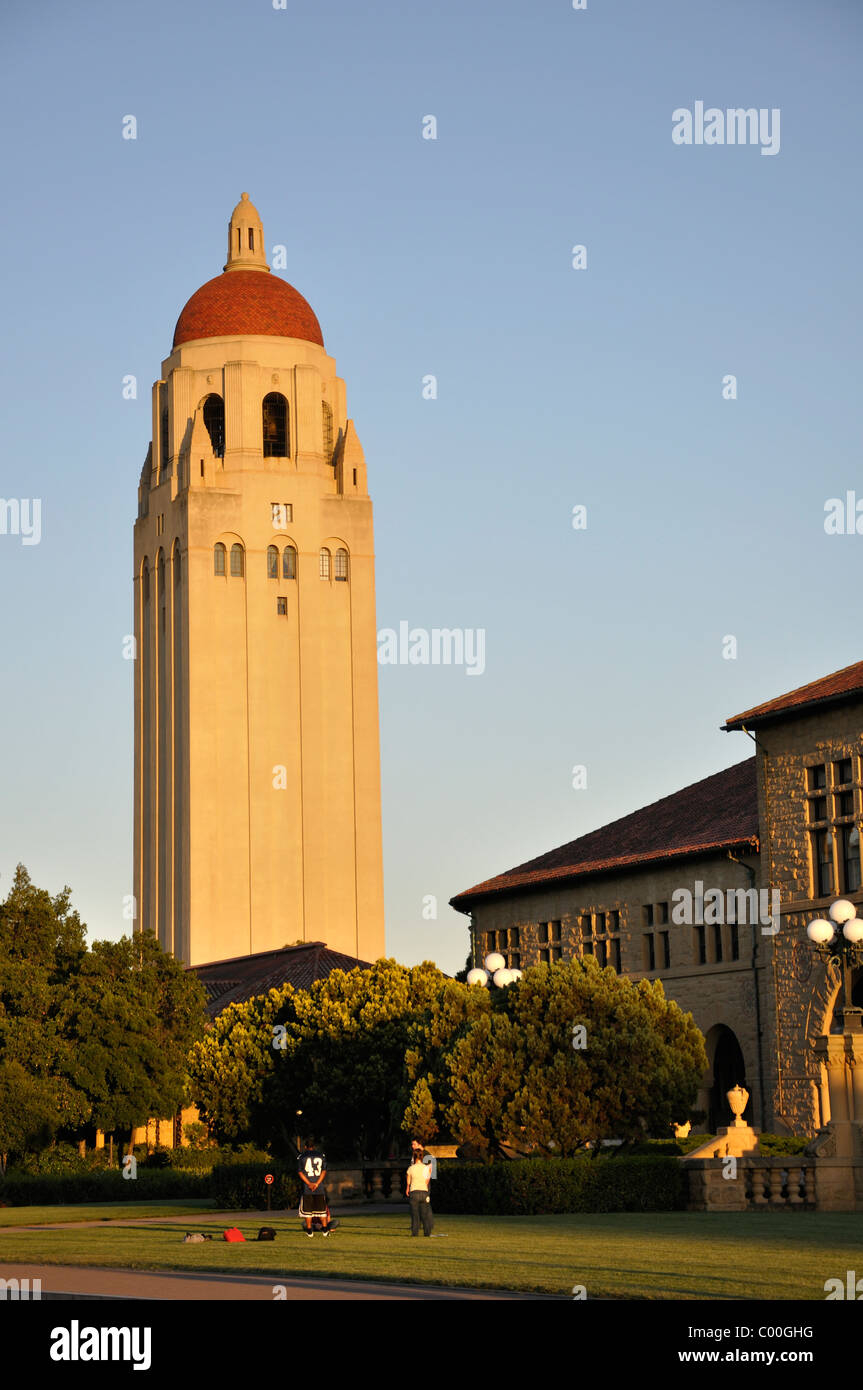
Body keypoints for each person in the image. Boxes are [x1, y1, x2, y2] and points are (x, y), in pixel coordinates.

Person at [297, 1136, 332, 1237]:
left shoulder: (301, 1157)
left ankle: (309, 1231)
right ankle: (325, 1230)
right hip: (319, 1187)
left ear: (305, 1146)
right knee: (322, 1210)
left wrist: (309, 1183)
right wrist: (317, 1183)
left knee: (307, 1211)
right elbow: (324, 1171)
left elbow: (300, 1172)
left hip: (307, 1188)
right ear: (314, 1146)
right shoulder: (321, 1155)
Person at [405, 1141, 434, 1237]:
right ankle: (427, 1232)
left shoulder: (411, 1168)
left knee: (415, 1214)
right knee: (424, 1214)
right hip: (424, 1192)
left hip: (414, 1192)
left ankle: (415, 1232)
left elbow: (408, 1181)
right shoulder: (426, 1168)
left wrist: (408, 1188)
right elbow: (427, 1180)